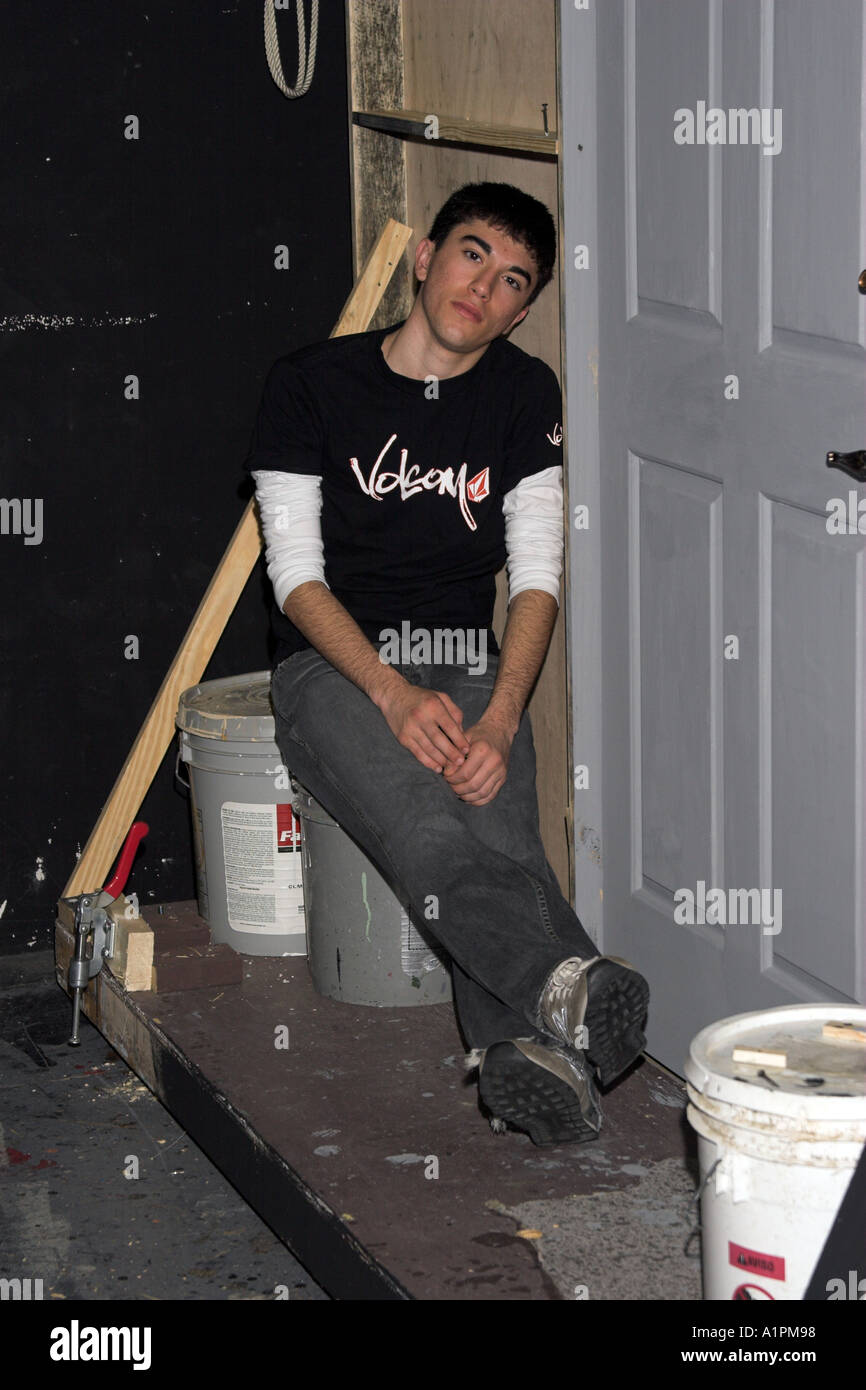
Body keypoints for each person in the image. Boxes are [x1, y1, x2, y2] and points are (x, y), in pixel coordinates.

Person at [244, 181, 649, 1147]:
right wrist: (387, 691)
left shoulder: (522, 392)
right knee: (432, 833)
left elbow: (537, 575)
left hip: (471, 663)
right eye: (473, 255)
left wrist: (504, 716)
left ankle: (525, 1054)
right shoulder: (309, 384)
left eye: (515, 281)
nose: (486, 287)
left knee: (503, 834)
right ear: (426, 258)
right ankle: (566, 979)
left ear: (521, 307)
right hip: (332, 668)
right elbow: (295, 578)